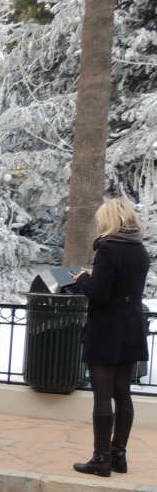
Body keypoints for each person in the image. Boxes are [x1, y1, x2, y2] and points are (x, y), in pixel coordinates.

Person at [69, 198, 150, 477]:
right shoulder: (139, 248)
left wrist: (83, 279)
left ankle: (100, 459)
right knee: (123, 393)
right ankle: (118, 456)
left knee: (103, 395)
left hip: (107, 329)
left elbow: (100, 294)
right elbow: (122, 285)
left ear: (109, 219)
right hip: (131, 326)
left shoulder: (108, 248)